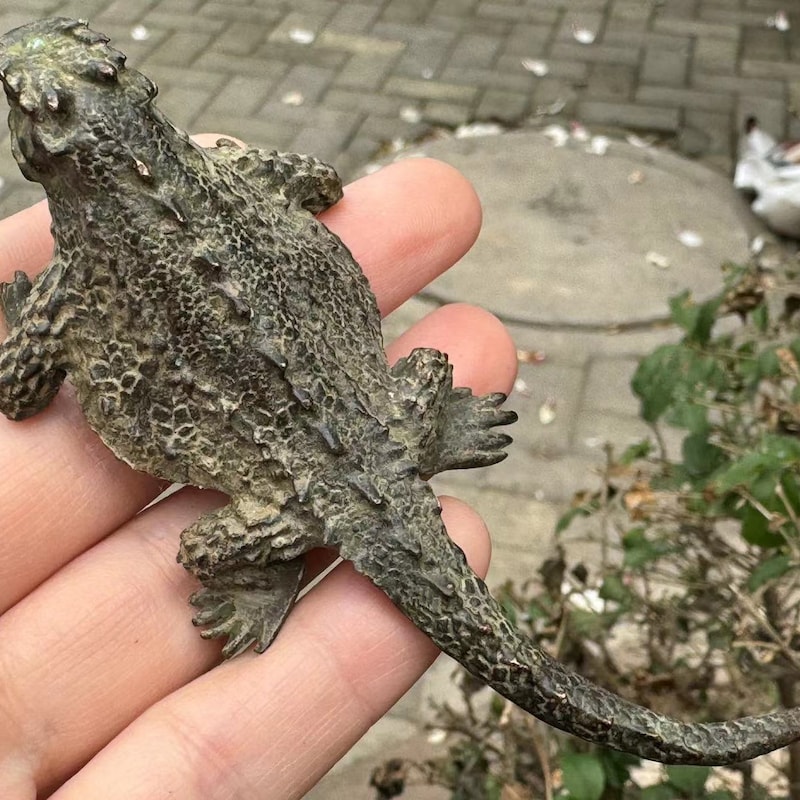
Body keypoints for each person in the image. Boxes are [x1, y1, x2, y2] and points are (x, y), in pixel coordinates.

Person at [0, 150, 518, 798]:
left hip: (302, 488)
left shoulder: (70, 281)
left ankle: (267, 573)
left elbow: (18, 391)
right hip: (376, 431)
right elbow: (320, 182)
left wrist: (35, 321)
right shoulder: (229, 177)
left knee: (203, 548)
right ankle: (420, 448)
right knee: (430, 364)